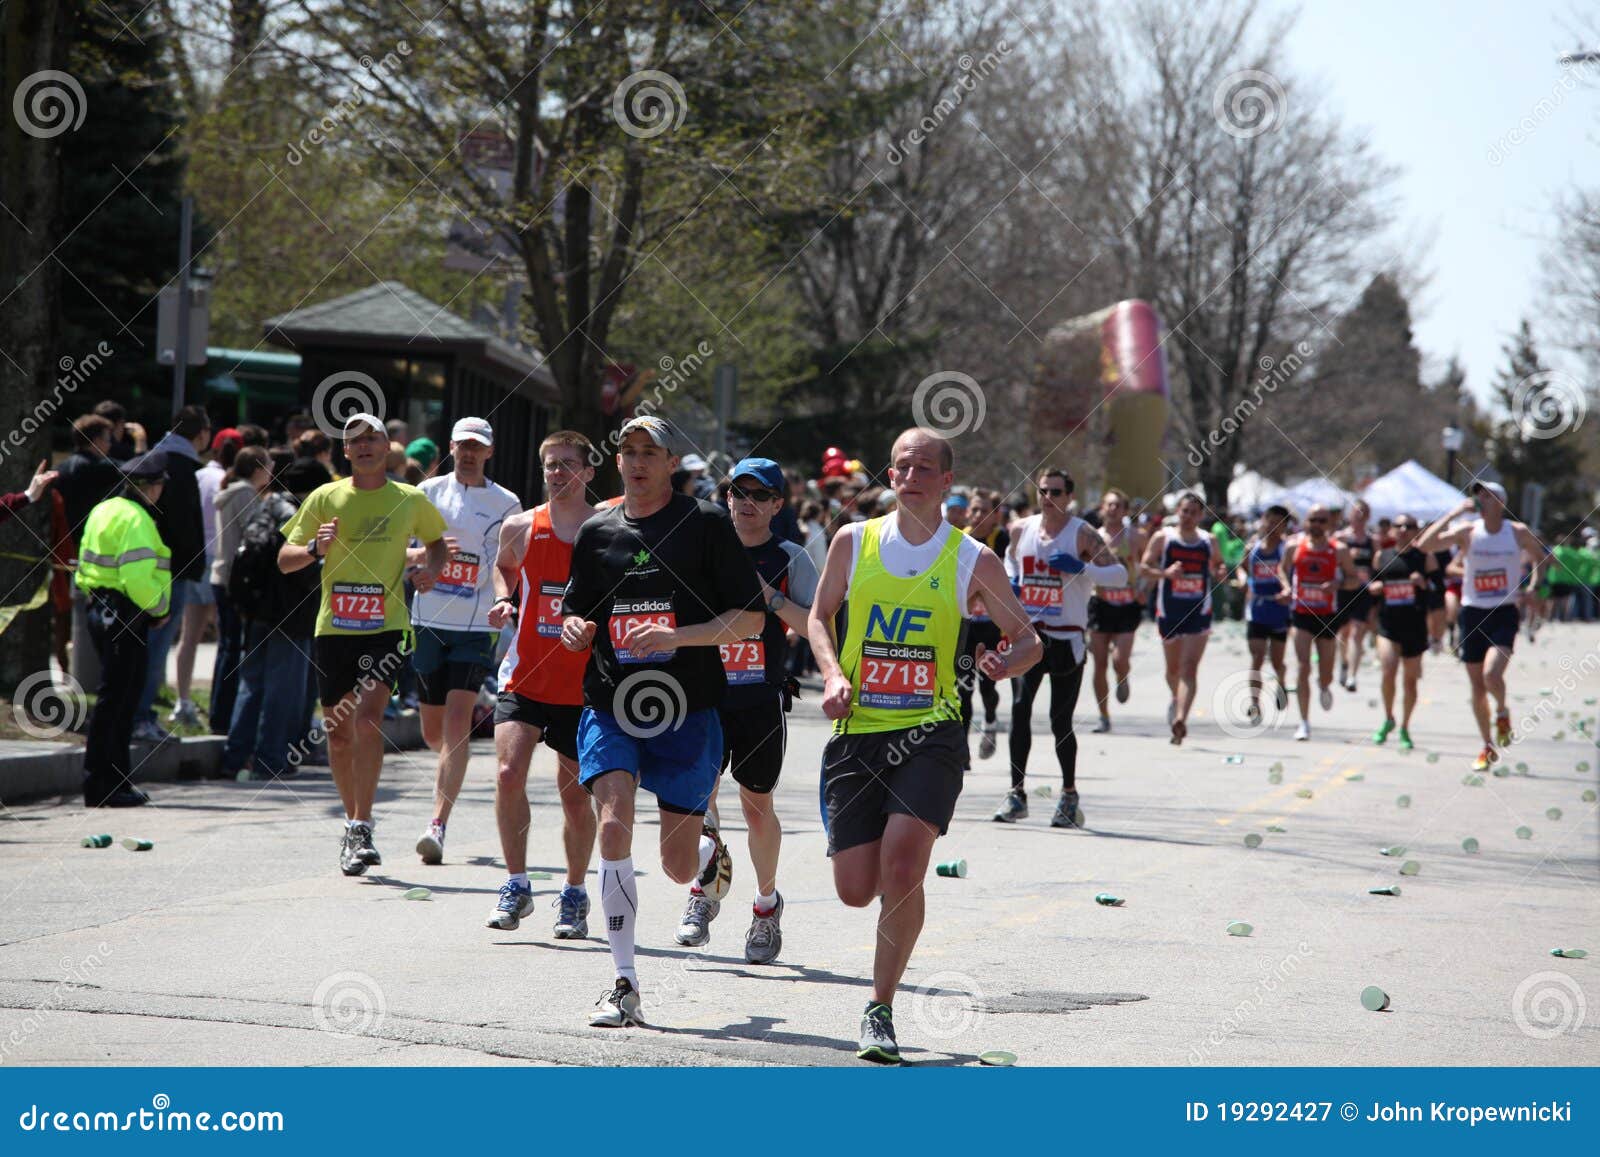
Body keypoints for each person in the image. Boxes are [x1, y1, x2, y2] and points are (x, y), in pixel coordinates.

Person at [809, 428, 1039, 1063]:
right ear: (889, 477)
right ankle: (878, 880)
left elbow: (1028, 640)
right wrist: (832, 672)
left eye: (924, 468)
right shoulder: (854, 543)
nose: (911, 477)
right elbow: (818, 616)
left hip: (931, 734)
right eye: (901, 467)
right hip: (858, 734)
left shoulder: (972, 560)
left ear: (945, 483)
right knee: (856, 889)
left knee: (905, 864)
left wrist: (1003, 661)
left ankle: (879, 1009)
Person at [560, 415, 763, 1028]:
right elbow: (577, 609)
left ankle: (705, 851)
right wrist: (574, 629)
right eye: (628, 451)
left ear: (673, 462)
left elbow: (749, 621)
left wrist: (677, 635)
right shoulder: (597, 531)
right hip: (612, 704)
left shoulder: (704, 525)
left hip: (688, 711)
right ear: (616, 461)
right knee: (614, 827)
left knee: (677, 867)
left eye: (651, 452)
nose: (638, 461)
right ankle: (623, 984)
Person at [278, 413, 449, 875]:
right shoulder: (325, 497)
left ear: (386, 447)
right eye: (356, 440)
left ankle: (361, 823)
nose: (366, 445)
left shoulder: (409, 498)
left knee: (370, 721)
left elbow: (438, 543)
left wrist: (430, 571)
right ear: (346, 451)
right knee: (338, 732)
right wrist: (315, 549)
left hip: (386, 627)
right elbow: (284, 559)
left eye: (373, 437)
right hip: (334, 629)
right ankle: (352, 821)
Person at [673, 457, 818, 963]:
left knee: (756, 807)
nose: (748, 503)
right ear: (727, 496)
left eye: (761, 495)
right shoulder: (704, 546)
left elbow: (819, 627)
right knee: (695, 800)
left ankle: (765, 905)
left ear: (778, 504)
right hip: (704, 694)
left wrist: (770, 601)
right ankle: (703, 892)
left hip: (759, 697)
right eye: (739, 493)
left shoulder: (790, 556)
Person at [486, 431, 599, 936]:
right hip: (525, 675)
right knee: (508, 774)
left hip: (583, 686)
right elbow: (503, 567)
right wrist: (504, 600)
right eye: (550, 465)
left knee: (574, 796)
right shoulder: (520, 526)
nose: (558, 473)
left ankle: (574, 892)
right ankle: (516, 883)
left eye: (568, 465)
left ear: (588, 472)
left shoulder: (607, 529)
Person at [408, 418, 522, 864]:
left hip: (477, 627)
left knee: (457, 721)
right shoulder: (426, 494)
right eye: (464, 446)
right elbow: (399, 549)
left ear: (489, 452)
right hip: (429, 621)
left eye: (479, 447)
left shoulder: (506, 502)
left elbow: (510, 561)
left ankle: (437, 823)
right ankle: (448, 770)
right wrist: (423, 563)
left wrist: (505, 600)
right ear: (451, 447)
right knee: (433, 731)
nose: (471, 454)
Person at [993, 468, 1128, 823]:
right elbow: (1009, 560)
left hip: (1067, 637)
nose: (1048, 497)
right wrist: (1013, 583)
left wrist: (1082, 569)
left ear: (1069, 496)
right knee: (1020, 710)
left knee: (1059, 720)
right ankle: (1016, 795)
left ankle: (1068, 795)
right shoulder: (1021, 528)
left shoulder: (1082, 533)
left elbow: (1119, 575)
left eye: (1056, 491)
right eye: (1043, 490)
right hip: (1029, 635)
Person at [1414, 482, 1547, 770]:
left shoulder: (1517, 532)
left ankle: (1501, 711)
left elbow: (1540, 558)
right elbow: (1424, 545)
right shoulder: (1468, 532)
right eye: (1479, 495)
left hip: (1503, 612)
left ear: (1500, 502)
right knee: (1476, 685)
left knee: (1491, 674)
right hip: (1472, 612)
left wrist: (1534, 586)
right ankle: (1487, 746)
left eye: (1488, 496)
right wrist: (1453, 513)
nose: (1480, 500)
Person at [75, 452, 171, 807]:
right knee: (120, 700)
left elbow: (85, 561)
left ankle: (114, 780)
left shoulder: (105, 509)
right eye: (160, 484)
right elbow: (136, 578)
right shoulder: (138, 519)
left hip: (101, 607)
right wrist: (160, 607)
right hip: (127, 612)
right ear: (149, 486)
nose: (162, 491)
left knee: (116, 698)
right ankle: (105, 784)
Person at [223, 453, 320, 780]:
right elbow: (304, 570)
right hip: (291, 616)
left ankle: (235, 756)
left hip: (259, 610)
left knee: (251, 684)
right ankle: (271, 758)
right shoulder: (298, 515)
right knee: (284, 689)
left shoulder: (264, 507)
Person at [134, 406, 211, 742]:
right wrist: (195, 562)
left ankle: (137, 715)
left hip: (143, 569)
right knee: (155, 649)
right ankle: (141, 718)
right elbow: (183, 524)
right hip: (169, 572)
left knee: (146, 649)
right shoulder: (179, 467)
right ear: (201, 434)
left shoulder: (154, 459)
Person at [1140, 492, 1225, 745]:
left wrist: (1220, 571)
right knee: (1173, 670)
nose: (1187, 516)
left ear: (1201, 516)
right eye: (1184, 511)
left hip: (1199, 611)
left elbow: (1219, 566)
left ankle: (1181, 719)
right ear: (1177, 511)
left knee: (1189, 668)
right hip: (1170, 609)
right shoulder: (1163, 538)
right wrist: (1166, 573)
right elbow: (1144, 568)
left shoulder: (1209, 541)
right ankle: (1176, 698)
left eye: (1193, 512)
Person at [209, 446, 272, 745]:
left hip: (220, 576)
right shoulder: (246, 494)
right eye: (269, 464)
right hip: (235, 581)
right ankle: (224, 717)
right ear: (259, 468)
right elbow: (256, 537)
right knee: (234, 650)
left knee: (227, 648)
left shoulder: (233, 491)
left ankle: (219, 715)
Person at [1279, 504, 1357, 741]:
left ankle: (1324, 686)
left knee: (1326, 672)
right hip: (1301, 613)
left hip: (1327, 615)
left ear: (1330, 524)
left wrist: (1338, 585)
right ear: (1306, 521)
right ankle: (1303, 722)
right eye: (1313, 519)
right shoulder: (1294, 546)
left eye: (1322, 520)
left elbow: (1354, 579)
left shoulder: (1339, 550)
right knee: (1303, 667)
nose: (1316, 524)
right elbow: (1282, 570)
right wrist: (1286, 587)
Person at [57, 415, 124, 690]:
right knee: (86, 618)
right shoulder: (96, 469)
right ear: (95, 440)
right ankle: (85, 677)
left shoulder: (63, 468)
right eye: (108, 439)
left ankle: (65, 670)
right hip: (88, 553)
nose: (110, 445)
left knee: (61, 615)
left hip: (62, 548)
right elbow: (136, 468)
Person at [1368, 514, 1438, 751]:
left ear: (1417, 530)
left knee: (1410, 681)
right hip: (1388, 624)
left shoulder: (1425, 558)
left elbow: (1439, 591)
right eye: (1399, 526)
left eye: (1409, 526)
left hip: (1415, 626)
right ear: (1392, 531)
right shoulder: (1382, 556)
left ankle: (1405, 726)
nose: (1403, 530)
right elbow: (1372, 585)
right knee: (1388, 670)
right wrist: (1374, 588)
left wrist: (1425, 584)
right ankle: (1388, 718)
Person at [1086, 488, 1146, 734]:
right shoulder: (1092, 537)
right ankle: (1104, 716)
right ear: (1102, 508)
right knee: (1099, 663)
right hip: (1100, 604)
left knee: (1120, 659)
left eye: (1117, 506)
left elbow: (1147, 565)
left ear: (1125, 511)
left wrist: (1143, 589)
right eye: (1108, 505)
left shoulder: (1135, 537)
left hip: (1126, 604)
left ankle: (1122, 677)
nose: (1112, 510)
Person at [958, 490, 1011, 757]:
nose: (978, 516)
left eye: (984, 511)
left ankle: (990, 720)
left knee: (987, 686)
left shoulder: (1001, 540)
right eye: (975, 510)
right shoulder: (959, 539)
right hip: (967, 626)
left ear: (995, 515)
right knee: (963, 689)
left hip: (993, 626)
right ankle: (963, 750)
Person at [1238, 505, 1291, 724]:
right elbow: (1241, 568)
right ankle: (1254, 703)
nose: (1273, 526)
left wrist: (1288, 591)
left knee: (1277, 660)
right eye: (1270, 520)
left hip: (1279, 609)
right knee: (1257, 657)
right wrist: (1243, 579)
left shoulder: (1286, 549)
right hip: (1257, 608)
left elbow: (1290, 573)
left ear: (1285, 526)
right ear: (1263, 521)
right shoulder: (1253, 547)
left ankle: (1281, 682)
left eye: (1279, 523)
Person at [1335, 499, 1379, 692]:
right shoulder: (1341, 538)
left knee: (1357, 632)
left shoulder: (1373, 540)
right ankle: (1344, 664)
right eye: (1356, 512)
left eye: (1363, 513)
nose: (1359, 516)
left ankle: (1353, 675)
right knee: (1343, 632)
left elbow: (1378, 566)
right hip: (1344, 589)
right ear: (1350, 515)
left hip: (1364, 591)